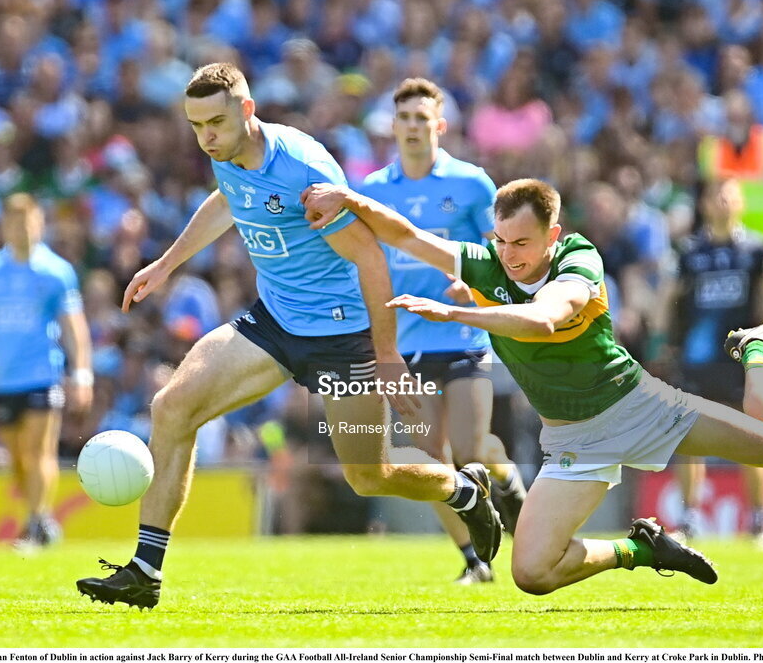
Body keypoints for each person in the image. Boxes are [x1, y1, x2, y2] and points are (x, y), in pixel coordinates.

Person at [76, 63, 502, 609]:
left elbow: (370, 256)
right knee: (172, 407)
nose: (205, 137)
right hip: (275, 322)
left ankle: (462, 489)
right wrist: (166, 263)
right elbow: (229, 199)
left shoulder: (302, 169)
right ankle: (145, 570)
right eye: (195, 125)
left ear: (247, 112)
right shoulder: (227, 155)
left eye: (215, 123)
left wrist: (388, 353)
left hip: (344, 339)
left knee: (370, 475)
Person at [302, 177, 763, 595]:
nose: (509, 253)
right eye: (500, 239)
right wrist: (350, 200)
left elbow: (544, 320)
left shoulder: (579, 260)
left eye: (522, 242)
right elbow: (407, 235)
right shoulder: (485, 261)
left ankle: (758, 349)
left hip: (637, 407)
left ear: (552, 234)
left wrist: (458, 311)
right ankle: (641, 548)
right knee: (532, 574)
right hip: (571, 441)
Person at [363, 77, 524, 585]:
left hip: (461, 336)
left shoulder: (472, 184)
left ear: (441, 126)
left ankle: (504, 474)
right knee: (435, 463)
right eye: (404, 118)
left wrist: (473, 287)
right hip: (406, 344)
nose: (412, 127)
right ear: (393, 126)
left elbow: (504, 253)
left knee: (472, 450)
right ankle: (475, 562)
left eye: (421, 118)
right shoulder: (371, 192)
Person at [661, 179, 763, 548]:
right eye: (717, 194)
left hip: (743, 358)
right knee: (689, 436)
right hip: (697, 358)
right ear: (705, 202)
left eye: (730, 194)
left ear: (740, 202)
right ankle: (688, 520)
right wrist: (663, 338)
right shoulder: (686, 252)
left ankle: (760, 522)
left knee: (752, 437)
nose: (723, 200)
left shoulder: (759, 249)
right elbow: (667, 299)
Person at [0, 193, 94, 547]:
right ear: (4, 226)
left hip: (42, 375)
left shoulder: (56, 272)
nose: (21, 230)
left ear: (40, 225)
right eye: (14, 222)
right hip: (4, 379)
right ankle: (43, 519)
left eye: (28, 222)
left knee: (38, 451)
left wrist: (82, 373)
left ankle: (35, 524)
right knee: (18, 460)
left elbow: (73, 326)